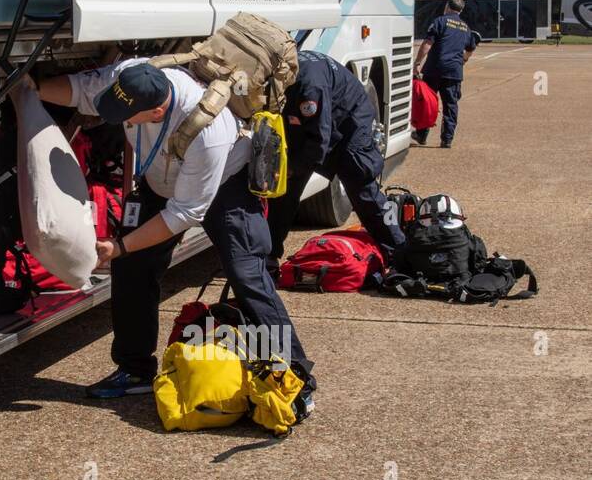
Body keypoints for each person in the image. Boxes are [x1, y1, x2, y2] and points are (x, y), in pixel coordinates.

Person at [35, 60, 314, 412]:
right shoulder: (133, 77)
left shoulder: (208, 133)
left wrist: (119, 246)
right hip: (162, 177)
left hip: (223, 185)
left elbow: (184, 213)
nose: (117, 119)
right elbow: (80, 89)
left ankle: (295, 375)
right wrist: (28, 88)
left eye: (126, 115)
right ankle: (135, 371)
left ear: (156, 111)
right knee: (132, 267)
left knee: (247, 275)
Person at [266, 50, 405, 270]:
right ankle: (268, 255)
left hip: (350, 121)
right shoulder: (277, 73)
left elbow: (318, 140)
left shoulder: (309, 86)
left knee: (362, 189)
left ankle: (399, 252)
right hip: (316, 119)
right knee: (286, 191)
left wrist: (294, 168)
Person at [414, 0, 479, 148]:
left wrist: (417, 63)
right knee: (451, 105)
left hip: (434, 69)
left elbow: (427, 43)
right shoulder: (465, 27)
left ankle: (421, 135)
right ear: (461, 11)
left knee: (427, 102)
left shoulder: (440, 21)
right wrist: (463, 61)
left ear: (447, 6)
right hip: (454, 72)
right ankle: (447, 139)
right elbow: (470, 49)